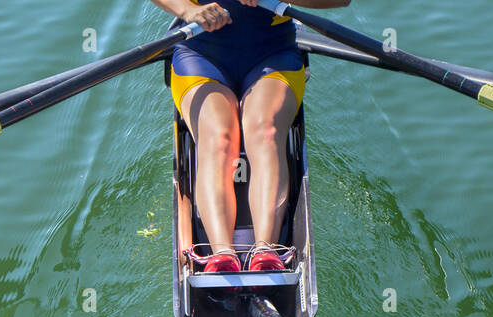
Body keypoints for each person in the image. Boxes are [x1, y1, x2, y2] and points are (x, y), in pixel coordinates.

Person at [150, 0, 351, 272]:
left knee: (264, 129)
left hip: (273, 53)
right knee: (219, 136)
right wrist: (188, 10)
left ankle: (266, 253)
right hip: (200, 54)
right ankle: (222, 256)